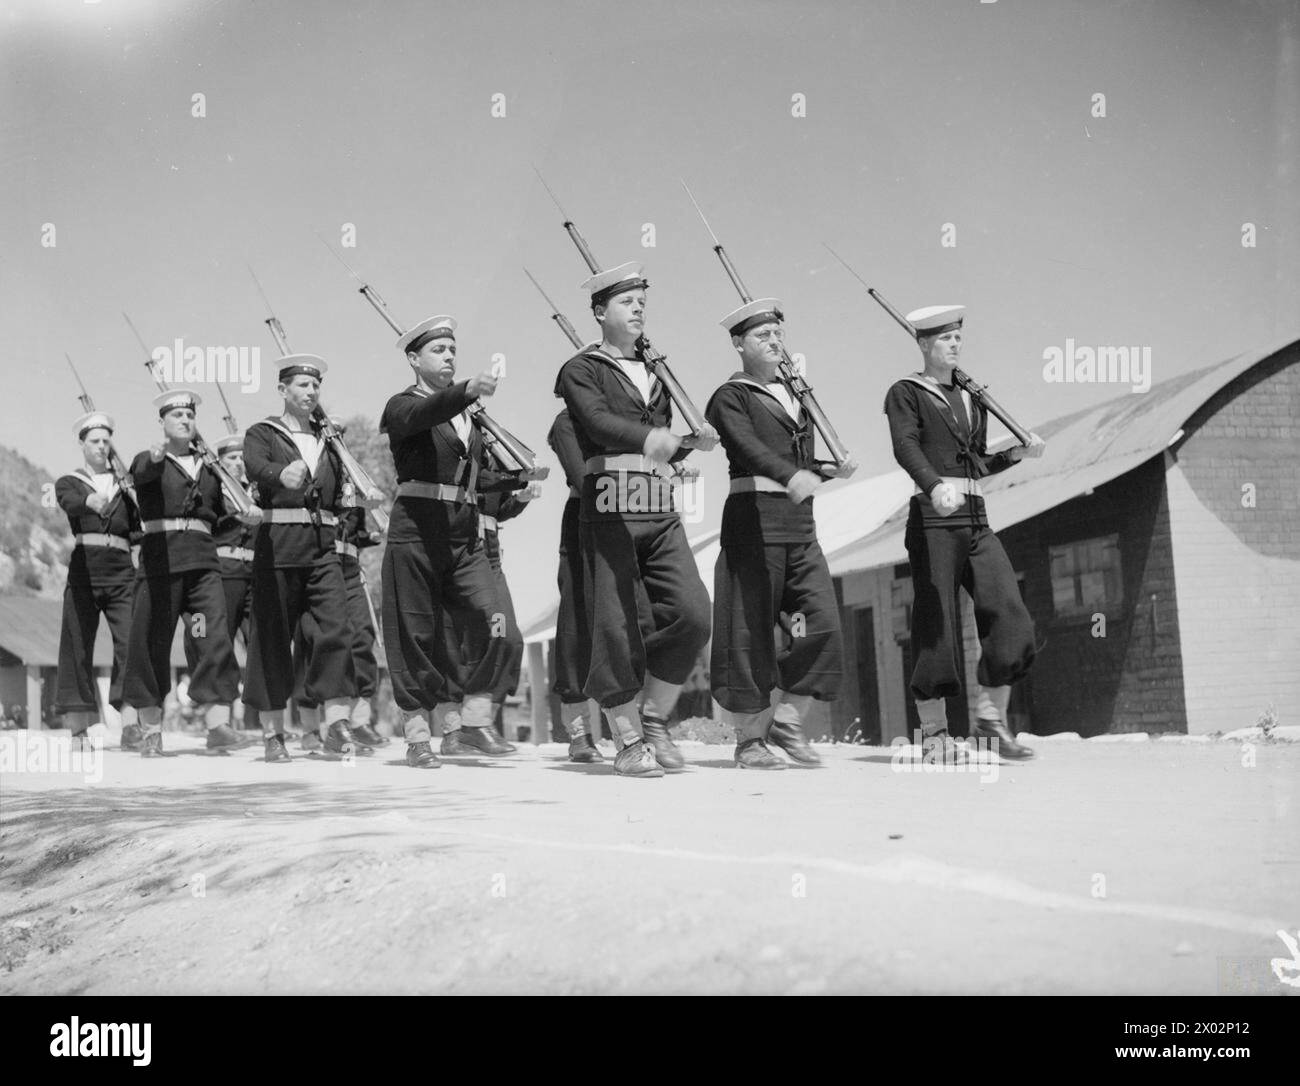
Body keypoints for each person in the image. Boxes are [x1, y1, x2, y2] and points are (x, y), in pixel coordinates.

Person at [556, 262, 717, 777]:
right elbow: (598, 422)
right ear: (600, 312)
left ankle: (653, 717)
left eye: (642, 301)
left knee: (693, 613)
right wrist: (653, 441)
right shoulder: (581, 369)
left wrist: (685, 448)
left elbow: (660, 434)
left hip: (656, 500)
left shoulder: (655, 369)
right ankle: (627, 739)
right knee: (615, 623)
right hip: (608, 500)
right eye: (627, 302)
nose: (638, 308)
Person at [883, 305, 1045, 762]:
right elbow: (905, 446)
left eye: (958, 337)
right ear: (923, 344)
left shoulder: (973, 397)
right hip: (933, 519)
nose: (954, 345)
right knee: (938, 626)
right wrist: (933, 486)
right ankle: (934, 733)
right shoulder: (906, 392)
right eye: (945, 339)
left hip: (976, 517)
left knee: (1010, 615)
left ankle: (990, 723)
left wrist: (1014, 455)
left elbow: (975, 463)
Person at [705, 299, 856, 769]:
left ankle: (789, 721)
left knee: (823, 622)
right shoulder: (730, 396)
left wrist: (829, 470)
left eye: (777, 335)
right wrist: (790, 476)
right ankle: (750, 740)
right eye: (761, 337)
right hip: (752, 521)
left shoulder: (797, 397)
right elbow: (748, 448)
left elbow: (802, 464)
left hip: (799, 525)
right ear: (738, 344)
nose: (773, 343)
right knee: (749, 630)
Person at [379, 315, 516, 769]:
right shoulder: (401, 406)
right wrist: (464, 391)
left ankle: (473, 724)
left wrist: (514, 482)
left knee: (499, 624)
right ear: (414, 360)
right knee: (415, 634)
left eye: (452, 349)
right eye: (439, 350)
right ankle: (420, 737)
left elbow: (468, 474)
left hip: (462, 532)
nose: (449, 356)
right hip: (415, 530)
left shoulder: (466, 416)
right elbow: (423, 414)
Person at [241, 355, 369, 763]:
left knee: (335, 628)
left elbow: (342, 490)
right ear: (283, 390)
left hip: (322, 544)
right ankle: (273, 733)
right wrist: (280, 475)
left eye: (315, 387)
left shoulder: (330, 438)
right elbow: (254, 465)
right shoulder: (263, 432)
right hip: (278, 542)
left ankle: (335, 724)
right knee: (273, 639)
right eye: (301, 385)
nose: (311, 393)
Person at [122, 390, 251, 757]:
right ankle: (150, 728)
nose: (184, 420)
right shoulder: (150, 459)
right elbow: (142, 474)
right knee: (152, 641)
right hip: (162, 565)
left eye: (189, 415)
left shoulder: (209, 466)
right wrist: (155, 457)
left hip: (202, 566)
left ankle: (216, 725)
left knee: (209, 636)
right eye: (176, 414)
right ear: (162, 422)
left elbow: (222, 511)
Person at [53, 411, 138, 744]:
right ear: (82, 444)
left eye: (106, 441)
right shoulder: (70, 481)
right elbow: (68, 502)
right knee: (76, 645)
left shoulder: (124, 484)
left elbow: (138, 529)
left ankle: (130, 723)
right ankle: (78, 729)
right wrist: (89, 500)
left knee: (131, 644)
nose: (102, 447)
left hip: (121, 569)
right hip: (85, 570)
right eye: (95, 441)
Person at [183, 431, 256, 738]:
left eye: (242, 458)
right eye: (232, 458)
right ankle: (219, 720)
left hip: (253, 573)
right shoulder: (215, 491)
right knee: (215, 643)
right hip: (222, 572)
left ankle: (267, 722)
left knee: (262, 643)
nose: (239, 464)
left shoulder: (254, 494)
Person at [546, 408, 603, 763]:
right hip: (586, 516)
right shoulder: (568, 421)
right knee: (577, 625)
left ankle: (644, 722)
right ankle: (580, 731)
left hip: (636, 513)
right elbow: (583, 478)